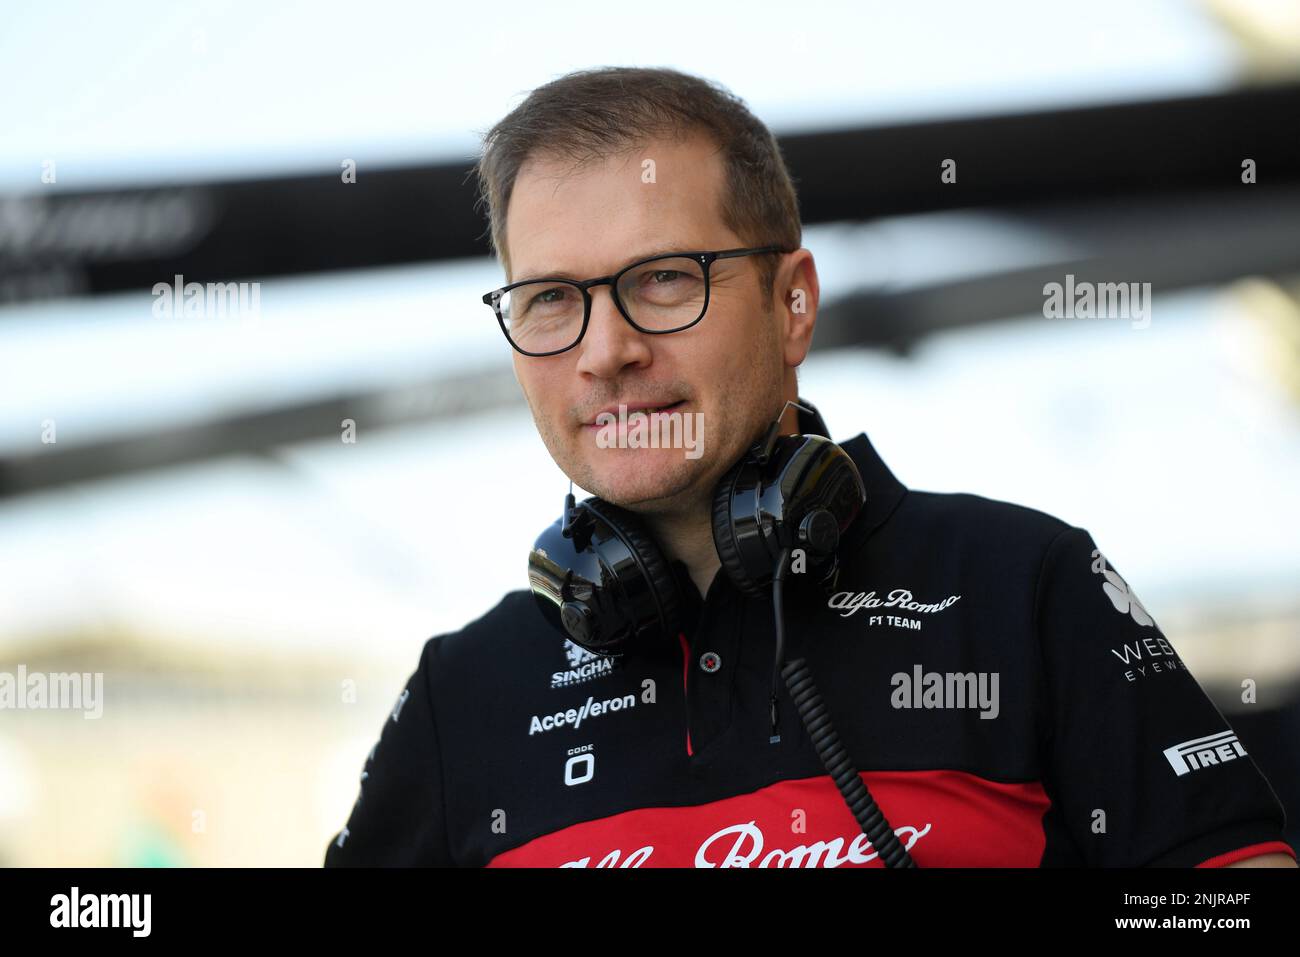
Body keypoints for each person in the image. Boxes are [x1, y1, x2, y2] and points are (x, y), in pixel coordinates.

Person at [324, 66, 1295, 868]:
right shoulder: (466, 690)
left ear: (791, 304)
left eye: (661, 281)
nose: (602, 350)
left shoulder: (1021, 582)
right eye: (547, 300)